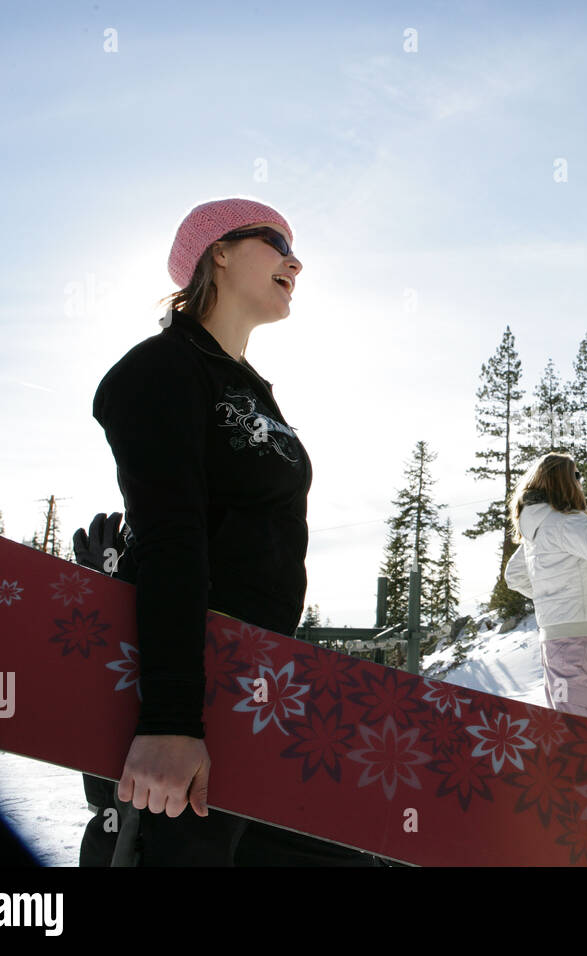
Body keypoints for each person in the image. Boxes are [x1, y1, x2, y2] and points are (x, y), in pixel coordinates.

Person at [81, 197, 376, 866]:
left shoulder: (248, 387)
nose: (295, 261)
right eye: (275, 241)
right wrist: (171, 721)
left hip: (256, 689)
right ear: (218, 251)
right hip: (193, 700)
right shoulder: (160, 370)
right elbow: (172, 540)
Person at [503, 455, 587, 719]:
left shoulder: (538, 526)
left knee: (564, 714)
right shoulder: (565, 522)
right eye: (577, 476)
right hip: (572, 637)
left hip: (556, 636)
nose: (580, 482)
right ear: (563, 481)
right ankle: (577, 761)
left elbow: (515, 575)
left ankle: (570, 759)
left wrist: (554, 595)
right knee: (576, 719)